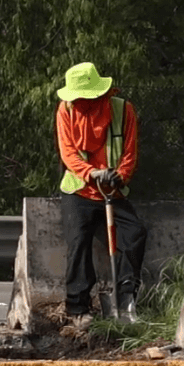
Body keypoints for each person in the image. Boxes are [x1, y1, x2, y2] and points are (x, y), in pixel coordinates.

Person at [55, 61, 148, 323]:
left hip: (112, 191)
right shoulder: (66, 110)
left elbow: (129, 151)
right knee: (78, 241)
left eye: (84, 98)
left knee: (135, 233)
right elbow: (68, 152)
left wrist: (120, 175)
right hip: (79, 190)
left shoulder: (123, 110)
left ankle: (126, 297)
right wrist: (91, 173)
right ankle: (78, 307)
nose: (80, 103)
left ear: (99, 94)